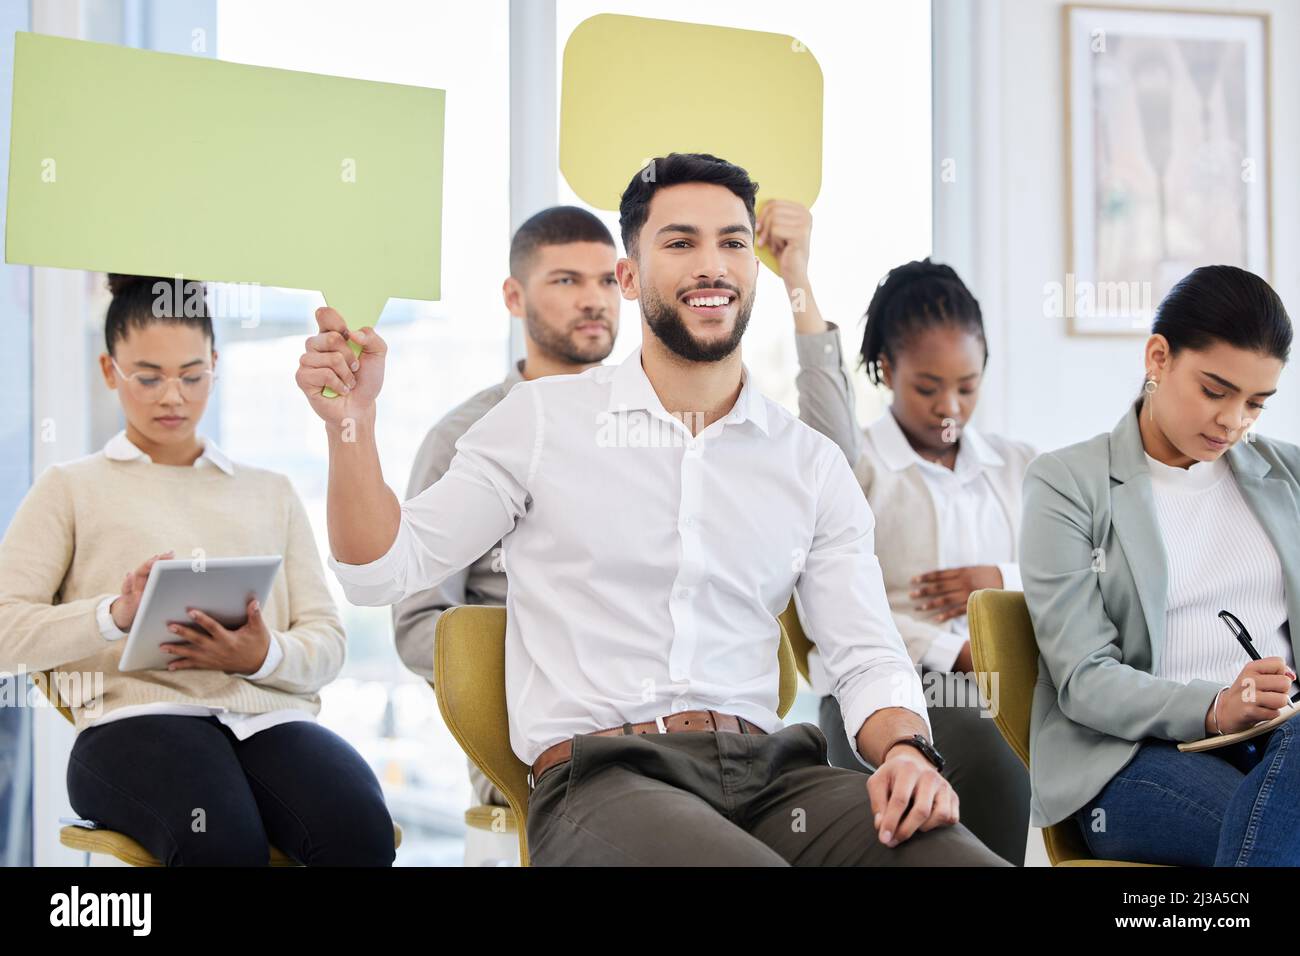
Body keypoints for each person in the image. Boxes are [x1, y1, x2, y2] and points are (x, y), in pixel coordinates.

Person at [297, 152, 1008, 866]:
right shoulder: (541, 421)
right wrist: (348, 425)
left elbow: (863, 652)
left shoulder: (809, 463)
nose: (713, 264)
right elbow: (381, 572)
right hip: (606, 780)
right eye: (680, 242)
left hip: (775, 777)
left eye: (733, 242)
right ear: (631, 277)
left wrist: (909, 752)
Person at [0, 274, 394, 866]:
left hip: (266, 721)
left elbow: (327, 642)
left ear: (215, 364)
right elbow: (7, 632)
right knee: (219, 839)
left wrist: (261, 657)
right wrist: (113, 616)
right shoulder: (70, 489)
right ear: (110, 371)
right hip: (134, 724)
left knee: (359, 829)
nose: (172, 397)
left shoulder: (271, 492)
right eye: (148, 377)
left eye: (191, 375)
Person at [759, 200, 1032, 865]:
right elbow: (850, 605)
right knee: (992, 755)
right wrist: (958, 652)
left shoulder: (1020, 467)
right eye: (928, 388)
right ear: (884, 371)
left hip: (1012, 684)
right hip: (888, 694)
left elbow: (1079, 576)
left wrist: (1002, 584)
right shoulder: (859, 467)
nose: (949, 409)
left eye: (967, 387)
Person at [1021, 264, 1300, 866]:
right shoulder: (1068, 484)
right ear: (1158, 358)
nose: (1234, 422)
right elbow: (1084, 678)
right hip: (1136, 761)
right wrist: (1214, 707)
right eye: (1215, 390)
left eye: (1256, 402)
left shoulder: (1289, 475)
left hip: (1281, 745)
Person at [393, 205, 620, 807]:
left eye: (606, 280)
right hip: (530, 742)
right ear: (514, 297)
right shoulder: (464, 438)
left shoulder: (654, 427)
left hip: (661, 719)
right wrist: (542, 671)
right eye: (566, 280)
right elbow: (420, 626)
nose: (593, 300)